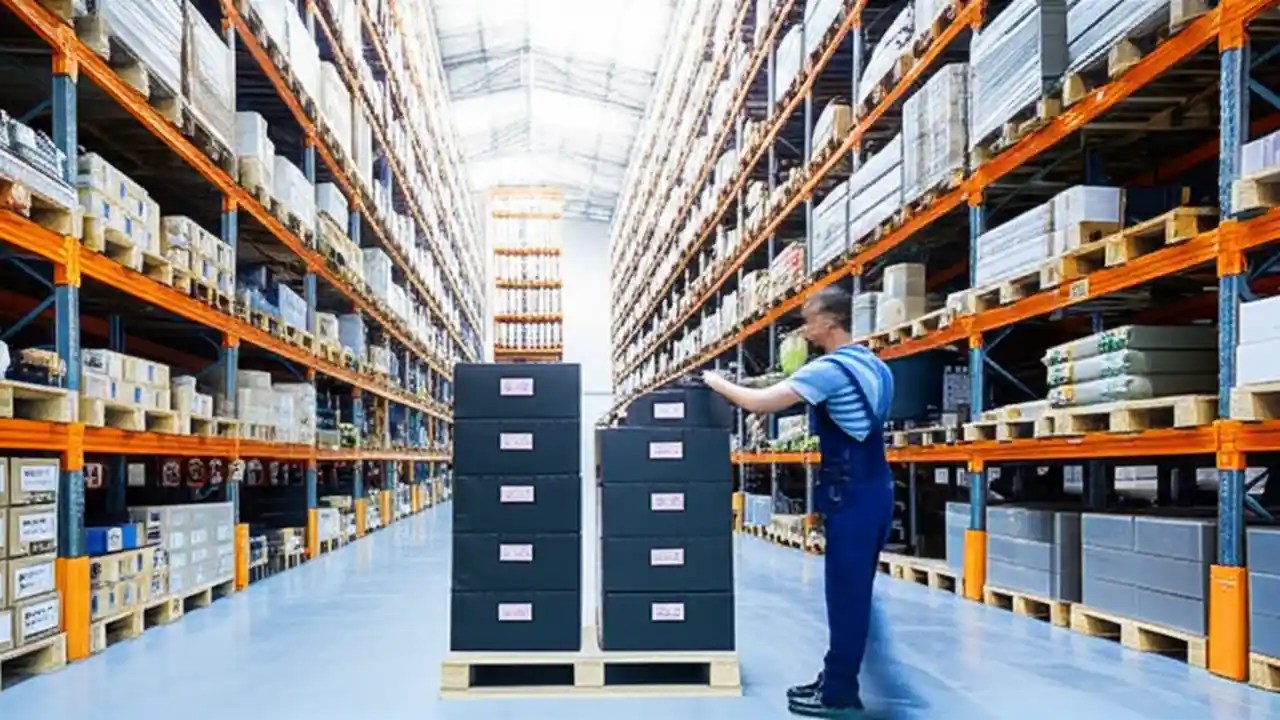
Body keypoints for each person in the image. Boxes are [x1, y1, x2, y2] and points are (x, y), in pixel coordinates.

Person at [702, 285, 895, 719]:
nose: (804, 327)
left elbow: (759, 403)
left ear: (830, 321)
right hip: (877, 488)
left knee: (846, 597)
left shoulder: (829, 369)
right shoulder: (875, 366)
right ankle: (835, 677)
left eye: (809, 318)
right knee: (855, 592)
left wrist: (716, 382)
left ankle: (840, 694)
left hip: (850, 493)